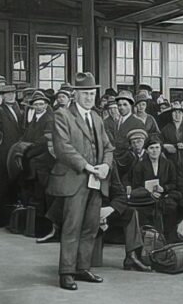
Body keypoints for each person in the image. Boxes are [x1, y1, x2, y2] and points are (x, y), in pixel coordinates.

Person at [46, 72, 114, 291]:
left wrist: (105, 166)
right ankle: (66, 272)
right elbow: (63, 148)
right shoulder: (62, 115)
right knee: (71, 227)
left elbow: (109, 147)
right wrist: (87, 166)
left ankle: (82, 267)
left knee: (90, 226)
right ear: (74, 94)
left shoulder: (97, 118)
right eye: (85, 93)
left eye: (92, 93)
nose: (89, 97)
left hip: (96, 179)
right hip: (75, 179)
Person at [126, 134, 181, 243]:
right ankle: (150, 243)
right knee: (144, 213)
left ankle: (169, 242)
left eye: (157, 147)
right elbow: (136, 186)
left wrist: (164, 188)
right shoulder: (140, 166)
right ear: (146, 151)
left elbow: (174, 183)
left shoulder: (169, 164)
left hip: (164, 197)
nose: (154, 151)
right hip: (146, 200)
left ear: (161, 149)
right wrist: (149, 193)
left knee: (171, 208)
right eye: (151, 148)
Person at [18, 90, 55, 215]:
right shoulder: (34, 118)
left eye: (41, 104)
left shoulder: (49, 119)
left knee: (40, 187)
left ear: (45, 105)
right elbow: (27, 135)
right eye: (36, 104)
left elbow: (45, 139)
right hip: (31, 154)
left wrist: (28, 148)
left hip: (43, 158)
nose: (38, 107)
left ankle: (41, 215)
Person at [107, 90, 149, 164]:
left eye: (125, 105)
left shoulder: (137, 123)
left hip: (131, 163)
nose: (121, 107)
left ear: (131, 105)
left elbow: (140, 147)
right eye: (119, 105)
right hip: (116, 162)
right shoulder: (116, 122)